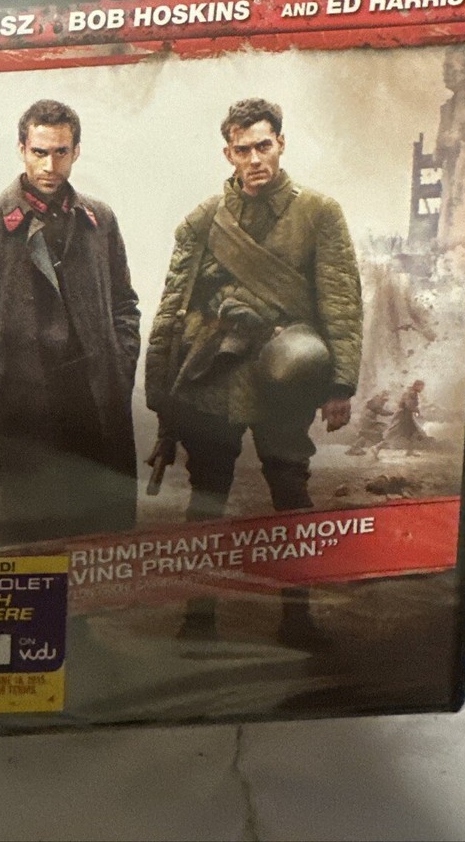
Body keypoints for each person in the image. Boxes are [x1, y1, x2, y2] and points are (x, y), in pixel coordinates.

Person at [145, 97, 362, 646]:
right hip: (214, 377)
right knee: (206, 500)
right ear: (229, 154)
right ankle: (199, 620)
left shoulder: (319, 213)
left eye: (264, 145)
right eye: (243, 150)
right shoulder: (202, 221)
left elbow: (340, 300)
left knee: (291, 496)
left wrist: (340, 385)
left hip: (286, 372)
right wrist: (161, 388)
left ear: (280, 144)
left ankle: (297, 620)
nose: (255, 159)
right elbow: (173, 305)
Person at [0, 99, 140, 547]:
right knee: (23, 545)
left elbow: (125, 304)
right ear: (22, 149)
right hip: (25, 416)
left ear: (76, 151)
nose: (49, 165)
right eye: (39, 152)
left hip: (95, 409)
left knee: (97, 546)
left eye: (61, 152)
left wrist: (120, 366)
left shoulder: (99, 220)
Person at [376, 379, 427, 458]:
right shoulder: (410, 393)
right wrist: (416, 410)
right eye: (421, 387)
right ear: (416, 386)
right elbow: (408, 405)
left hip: (407, 417)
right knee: (393, 434)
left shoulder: (412, 393)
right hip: (402, 417)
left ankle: (410, 451)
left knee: (412, 433)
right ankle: (377, 448)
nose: (422, 389)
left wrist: (416, 411)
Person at [347, 391, 392, 456]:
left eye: (386, 400)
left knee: (366, 435)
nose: (385, 401)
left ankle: (355, 448)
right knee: (377, 430)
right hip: (368, 421)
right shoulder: (376, 401)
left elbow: (379, 411)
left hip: (368, 420)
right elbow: (380, 411)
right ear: (382, 396)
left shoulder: (376, 401)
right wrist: (391, 413)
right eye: (385, 399)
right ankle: (357, 448)